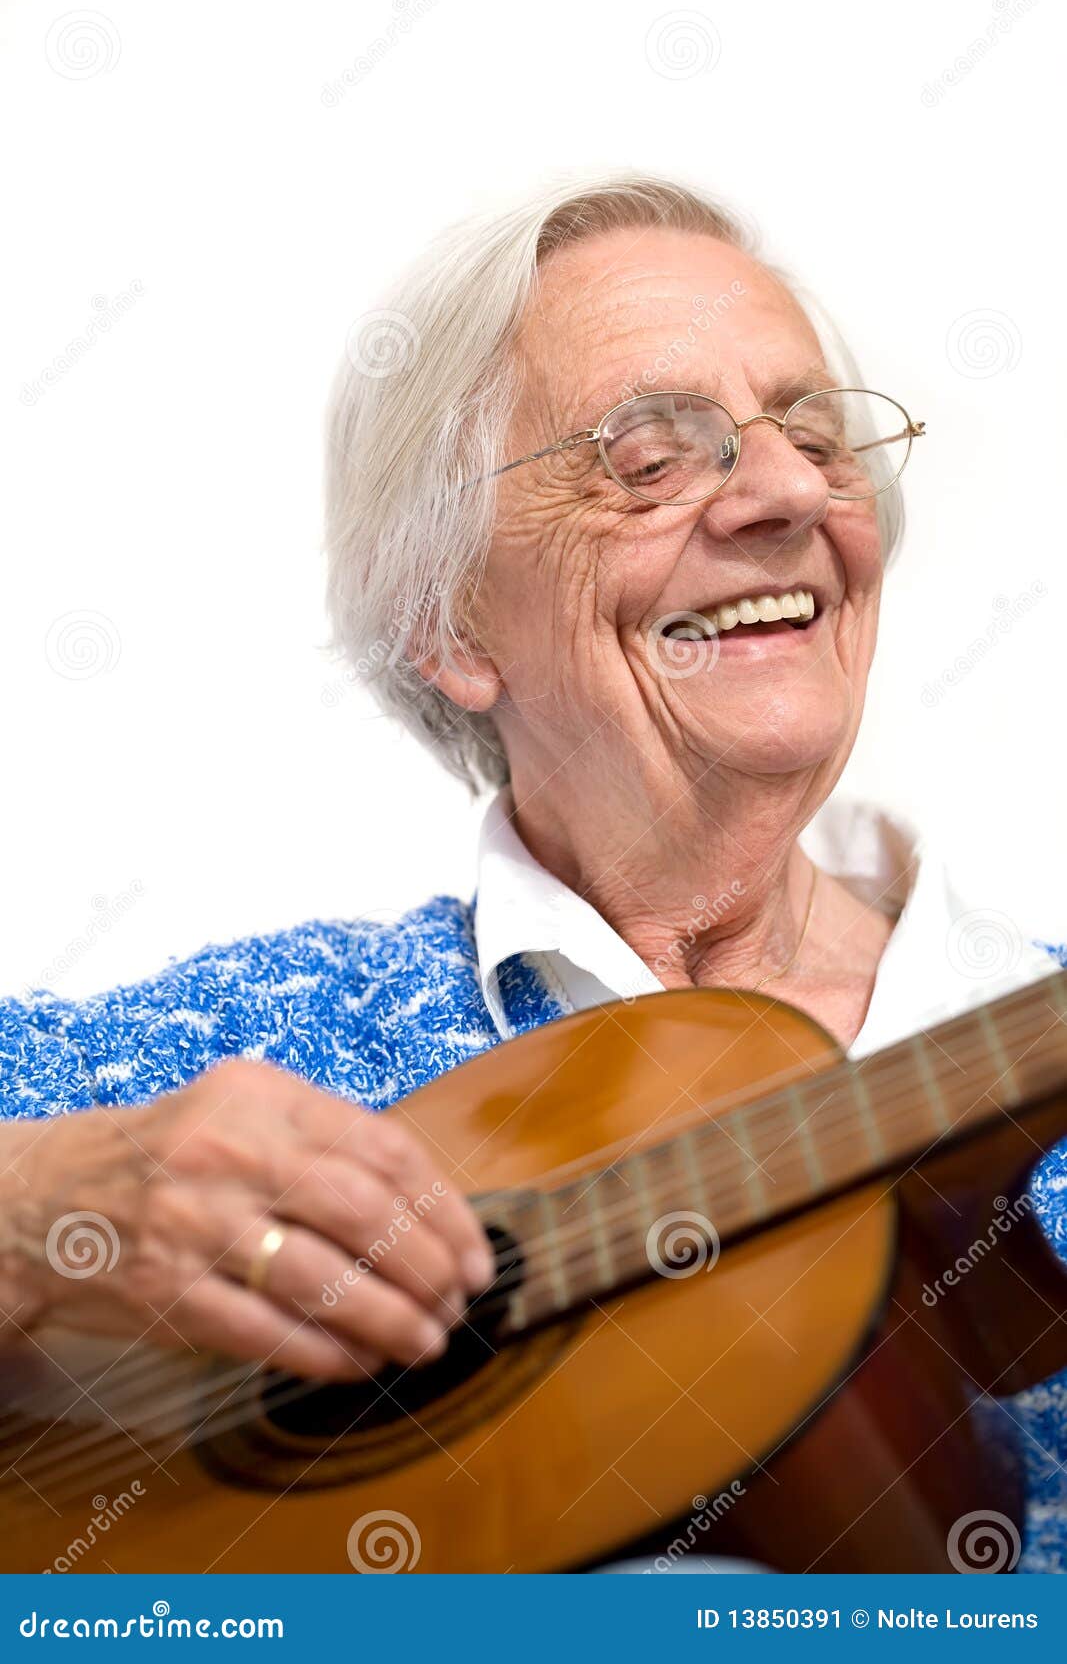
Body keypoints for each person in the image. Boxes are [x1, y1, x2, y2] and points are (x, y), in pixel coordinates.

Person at [2, 173, 1064, 1570]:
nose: (791, 489)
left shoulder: (1022, 1009)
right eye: (650, 458)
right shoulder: (259, 1042)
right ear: (451, 622)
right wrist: (37, 1210)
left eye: (816, 437)